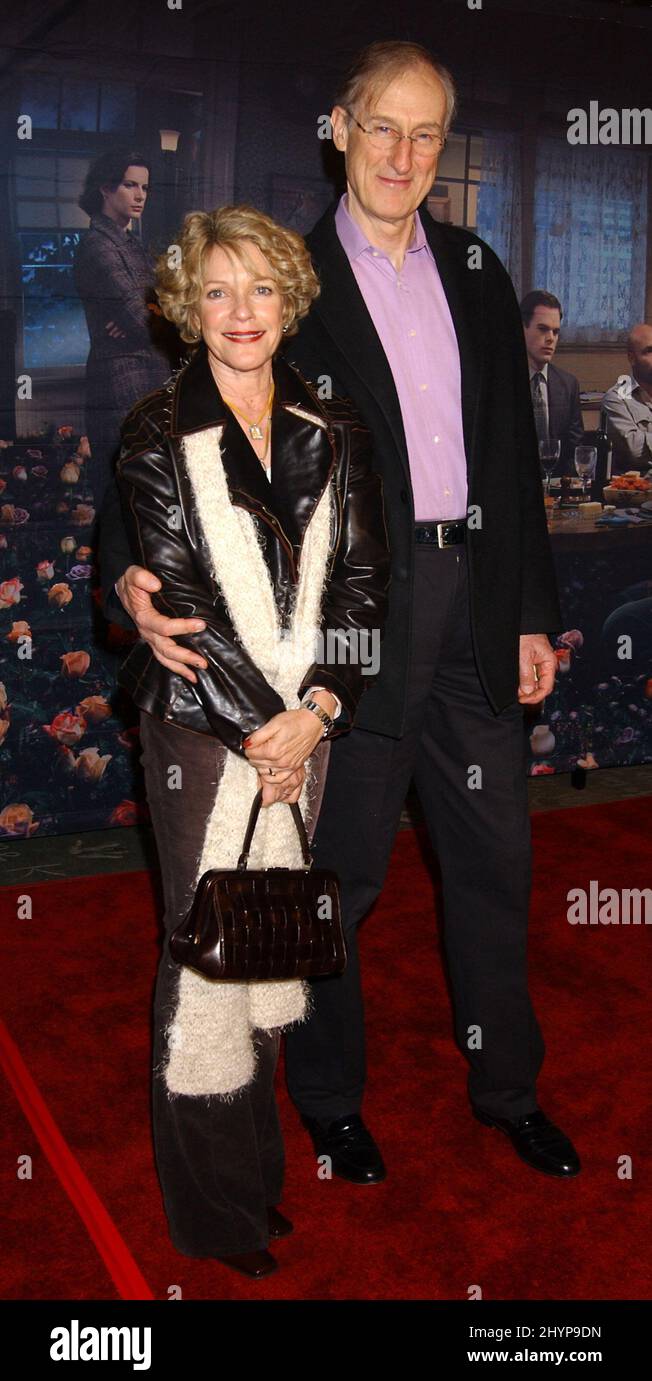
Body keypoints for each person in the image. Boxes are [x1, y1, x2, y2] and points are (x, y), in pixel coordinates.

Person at [100, 40, 581, 1186]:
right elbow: (183, 414)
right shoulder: (288, 276)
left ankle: (506, 1086)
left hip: (473, 609)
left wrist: (525, 613)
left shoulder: (474, 267)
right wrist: (124, 559)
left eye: (426, 134)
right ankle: (328, 1100)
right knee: (339, 877)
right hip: (352, 627)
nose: (403, 154)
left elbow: (507, 453)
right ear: (339, 128)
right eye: (382, 127)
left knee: (494, 864)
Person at [112, 204, 389, 1276]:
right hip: (201, 733)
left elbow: (365, 584)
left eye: (261, 288)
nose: (241, 312)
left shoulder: (334, 423)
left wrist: (315, 709)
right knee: (205, 967)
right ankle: (212, 1214)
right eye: (216, 290)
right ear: (188, 306)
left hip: (301, 727)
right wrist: (261, 733)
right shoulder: (154, 429)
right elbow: (179, 604)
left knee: (264, 949)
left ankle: (257, 1183)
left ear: (290, 301)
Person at [74, 148, 178, 498]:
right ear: (105, 188)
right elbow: (142, 320)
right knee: (131, 491)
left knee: (153, 492)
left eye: (145, 188)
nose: (139, 196)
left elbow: (158, 305)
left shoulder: (131, 244)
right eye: (129, 185)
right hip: (122, 382)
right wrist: (148, 313)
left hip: (150, 375)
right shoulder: (98, 247)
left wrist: (151, 309)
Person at [520, 290, 585, 470]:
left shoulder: (568, 384)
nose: (550, 338)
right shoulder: (501, 383)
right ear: (522, 328)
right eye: (543, 329)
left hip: (557, 487)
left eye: (555, 332)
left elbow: (575, 449)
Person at [602, 323, 652, 473]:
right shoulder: (616, 397)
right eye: (649, 351)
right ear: (632, 358)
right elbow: (635, 451)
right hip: (639, 490)